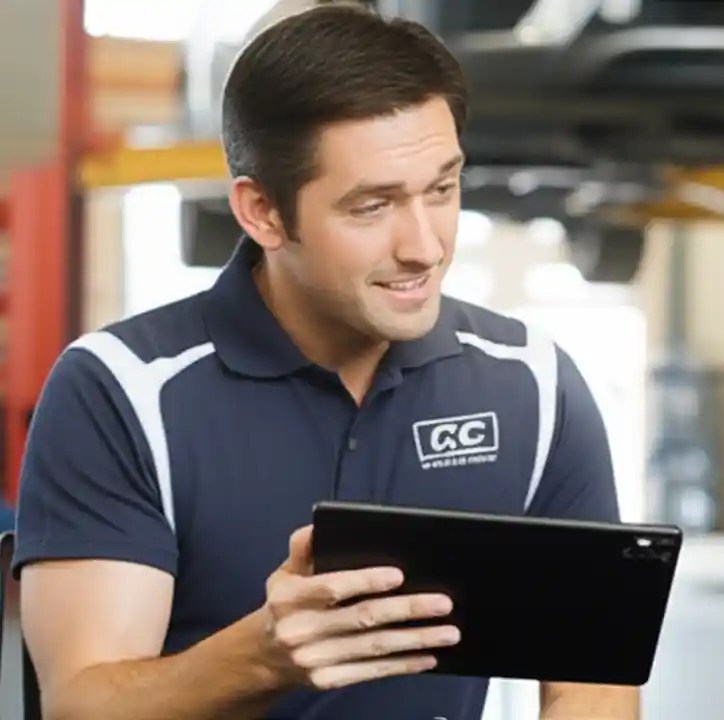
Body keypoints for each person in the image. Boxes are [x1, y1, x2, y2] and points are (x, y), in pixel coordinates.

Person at [13, 5, 639, 720]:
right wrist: (262, 656)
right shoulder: (121, 393)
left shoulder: (534, 385)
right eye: (372, 206)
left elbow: (593, 681)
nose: (425, 246)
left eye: (441, 190)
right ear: (262, 213)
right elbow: (81, 703)